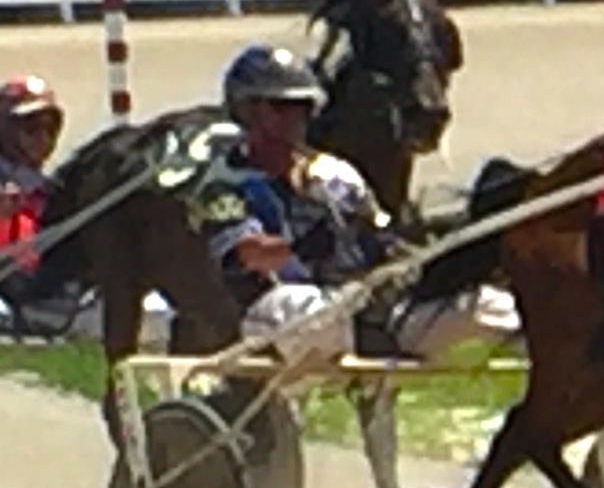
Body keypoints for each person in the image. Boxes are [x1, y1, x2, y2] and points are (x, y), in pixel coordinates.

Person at [188, 44, 510, 365]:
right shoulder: (223, 184)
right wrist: (301, 246)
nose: (296, 117)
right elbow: (250, 253)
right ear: (247, 111)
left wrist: (416, 251)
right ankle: (361, 353)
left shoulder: (335, 174)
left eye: (302, 106)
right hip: (280, 315)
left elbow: (381, 233)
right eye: (281, 106)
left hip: (370, 307)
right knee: (303, 307)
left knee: (494, 307)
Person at [0, 73, 67, 321]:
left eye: (49, 129)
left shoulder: (50, 186)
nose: (42, 139)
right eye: (31, 130)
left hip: (42, 286)